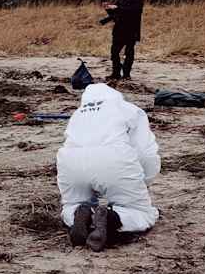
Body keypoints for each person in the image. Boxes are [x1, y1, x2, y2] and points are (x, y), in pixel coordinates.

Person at [56, 83, 160, 252]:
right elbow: (145, 152)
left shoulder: (77, 114)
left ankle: (79, 214)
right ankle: (111, 218)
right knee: (141, 212)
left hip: (70, 161)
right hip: (114, 158)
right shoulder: (129, 109)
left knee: (71, 205)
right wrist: (144, 181)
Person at [101, 0, 144, 81]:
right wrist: (108, 9)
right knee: (114, 52)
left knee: (129, 53)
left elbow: (134, 12)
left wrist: (117, 8)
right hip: (119, 30)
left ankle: (126, 75)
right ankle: (115, 74)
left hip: (131, 30)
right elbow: (116, 14)